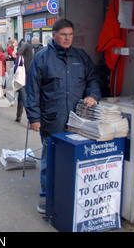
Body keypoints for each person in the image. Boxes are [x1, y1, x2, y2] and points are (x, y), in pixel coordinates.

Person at [25, 18, 101, 214]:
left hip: (78, 121)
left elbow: (93, 78)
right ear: (54, 35)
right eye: (63, 35)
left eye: (70, 35)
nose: (68, 38)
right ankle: (46, 196)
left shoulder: (81, 56)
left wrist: (93, 94)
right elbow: (32, 91)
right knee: (49, 161)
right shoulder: (42, 58)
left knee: (75, 158)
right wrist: (34, 118)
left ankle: (69, 192)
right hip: (52, 119)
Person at [14, 43, 35, 122]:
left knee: (24, 100)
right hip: (29, 81)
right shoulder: (32, 58)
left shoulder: (20, 58)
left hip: (21, 81)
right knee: (21, 98)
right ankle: (18, 116)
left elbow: (16, 69)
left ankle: (31, 119)